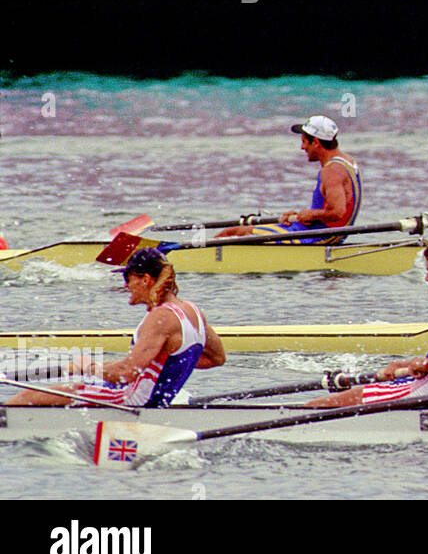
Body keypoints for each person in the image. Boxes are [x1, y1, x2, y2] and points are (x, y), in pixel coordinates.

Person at [6, 248, 225, 408]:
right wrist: (169, 365)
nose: (126, 286)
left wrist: (90, 367)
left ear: (145, 279)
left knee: (28, 396)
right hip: (158, 399)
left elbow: (126, 373)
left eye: (128, 278)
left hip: (133, 401)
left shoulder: (161, 317)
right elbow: (216, 358)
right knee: (76, 383)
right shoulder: (193, 310)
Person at [307, 241, 428, 407]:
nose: (427, 278)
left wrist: (425, 363)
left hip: (426, 392)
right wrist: (405, 365)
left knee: (321, 405)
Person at [217, 115, 363, 244]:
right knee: (239, 231)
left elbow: (337, 212)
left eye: (304, 141)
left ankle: (197, 258)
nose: (302, 147)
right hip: (318, 230)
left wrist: (311, 214)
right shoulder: (348, 161)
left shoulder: (331, 171)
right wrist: (299, 216)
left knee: (232, 233)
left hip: (317, 236)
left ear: (316, 143)